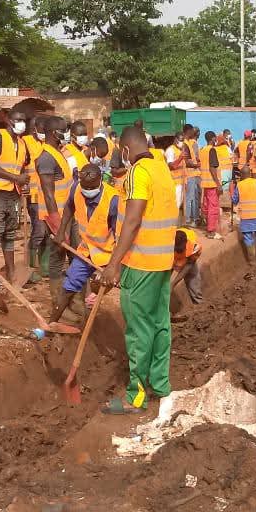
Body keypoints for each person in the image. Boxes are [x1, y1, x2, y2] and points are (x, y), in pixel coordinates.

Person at [100, 126, 179, 415]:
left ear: (124, 151)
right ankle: (160, 384)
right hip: (162, 263)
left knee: (139, 331)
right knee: (160, 325)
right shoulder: (161, 169)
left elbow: (132, 221)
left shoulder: (138, 172)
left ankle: (136, 397)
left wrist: (113, 265)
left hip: (141, 264)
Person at [49, 163, 119, 324]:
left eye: (91, 188)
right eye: (85, 187)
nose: (87, 192)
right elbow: (69, 207)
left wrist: (113, 267)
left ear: (100, 180)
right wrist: (61, 232)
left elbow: (120, 236)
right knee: (69, 285)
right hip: (86, 250)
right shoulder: (76, 188)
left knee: (96, 292)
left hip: (107, 255)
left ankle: (92, 328)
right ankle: (50, 325)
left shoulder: (113, 200)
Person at [0, 105, 30, 285]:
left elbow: (23, 168)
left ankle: (11, 272)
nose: (22, 124)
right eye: (19, 120)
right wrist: (16, 178)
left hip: (14, 193)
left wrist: (22, 183)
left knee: (9, 234)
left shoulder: (22, 142)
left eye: (24, 121)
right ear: (9, 121)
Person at [36, 116, 76, 311]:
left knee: (73, 256)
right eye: (63, 130)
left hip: (67, 214)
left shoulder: (57, 153)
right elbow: (49, 194)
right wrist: (58, 225)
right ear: (54, 133)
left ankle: (72, 300)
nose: (67, 133)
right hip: (57, 217)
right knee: (57, 257)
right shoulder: (46, 158)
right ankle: (57, 303)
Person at [23, 117, 49, 286]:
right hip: (33, 194)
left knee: (47, 231)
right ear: (33, 129)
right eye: (41, 129)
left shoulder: (46, 143)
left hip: (47, 195)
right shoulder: (25, 142)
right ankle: (31, 266)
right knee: (38, 230)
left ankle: (44, 265)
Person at [233, 166, 256, 262]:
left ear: (242, 175)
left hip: (245, 217)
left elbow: (234, 201)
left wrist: (232, 191)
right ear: (250, 173)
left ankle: (252, 260)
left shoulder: (239, 185)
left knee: (248, 238)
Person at [199, 131, 223, 239]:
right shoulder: (212, 150)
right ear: (212, 139)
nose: (216, 140)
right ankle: (211, 231)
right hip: (212, 183)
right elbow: (212, 168)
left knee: (207, 206)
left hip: (205, 182)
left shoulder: (203, 150)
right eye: (215, 138)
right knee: (213, 208)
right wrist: (218, 184)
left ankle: (209, 227)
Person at [171, 227, 203, 306]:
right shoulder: (166, 243)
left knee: (193, 279)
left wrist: (173, 283)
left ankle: (199, 305)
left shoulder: (195, 246)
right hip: (169, 257)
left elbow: (188, 266)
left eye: (181, 250)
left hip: (189, 259)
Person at [182, 125, 201, 228]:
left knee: (193, 198)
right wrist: (197, 165)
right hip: (189, 174)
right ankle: (188, 220)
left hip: (193, 174)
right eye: (192, 131)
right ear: (188, 131)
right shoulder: (185, 144)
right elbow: (187, 162)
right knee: (190, 198)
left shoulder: (188, 143)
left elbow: (192, 159)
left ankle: (194, 218)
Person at [164, 133, 186, 215]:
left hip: (180, 182)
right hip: (174, 183)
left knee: (178, 204)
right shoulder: (170, 150)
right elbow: (171, 166)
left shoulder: (180, 150)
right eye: (181, 140)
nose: (182, 142)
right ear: (176, 140)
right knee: (175, 205)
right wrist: (180, 158)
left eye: (183, 140)